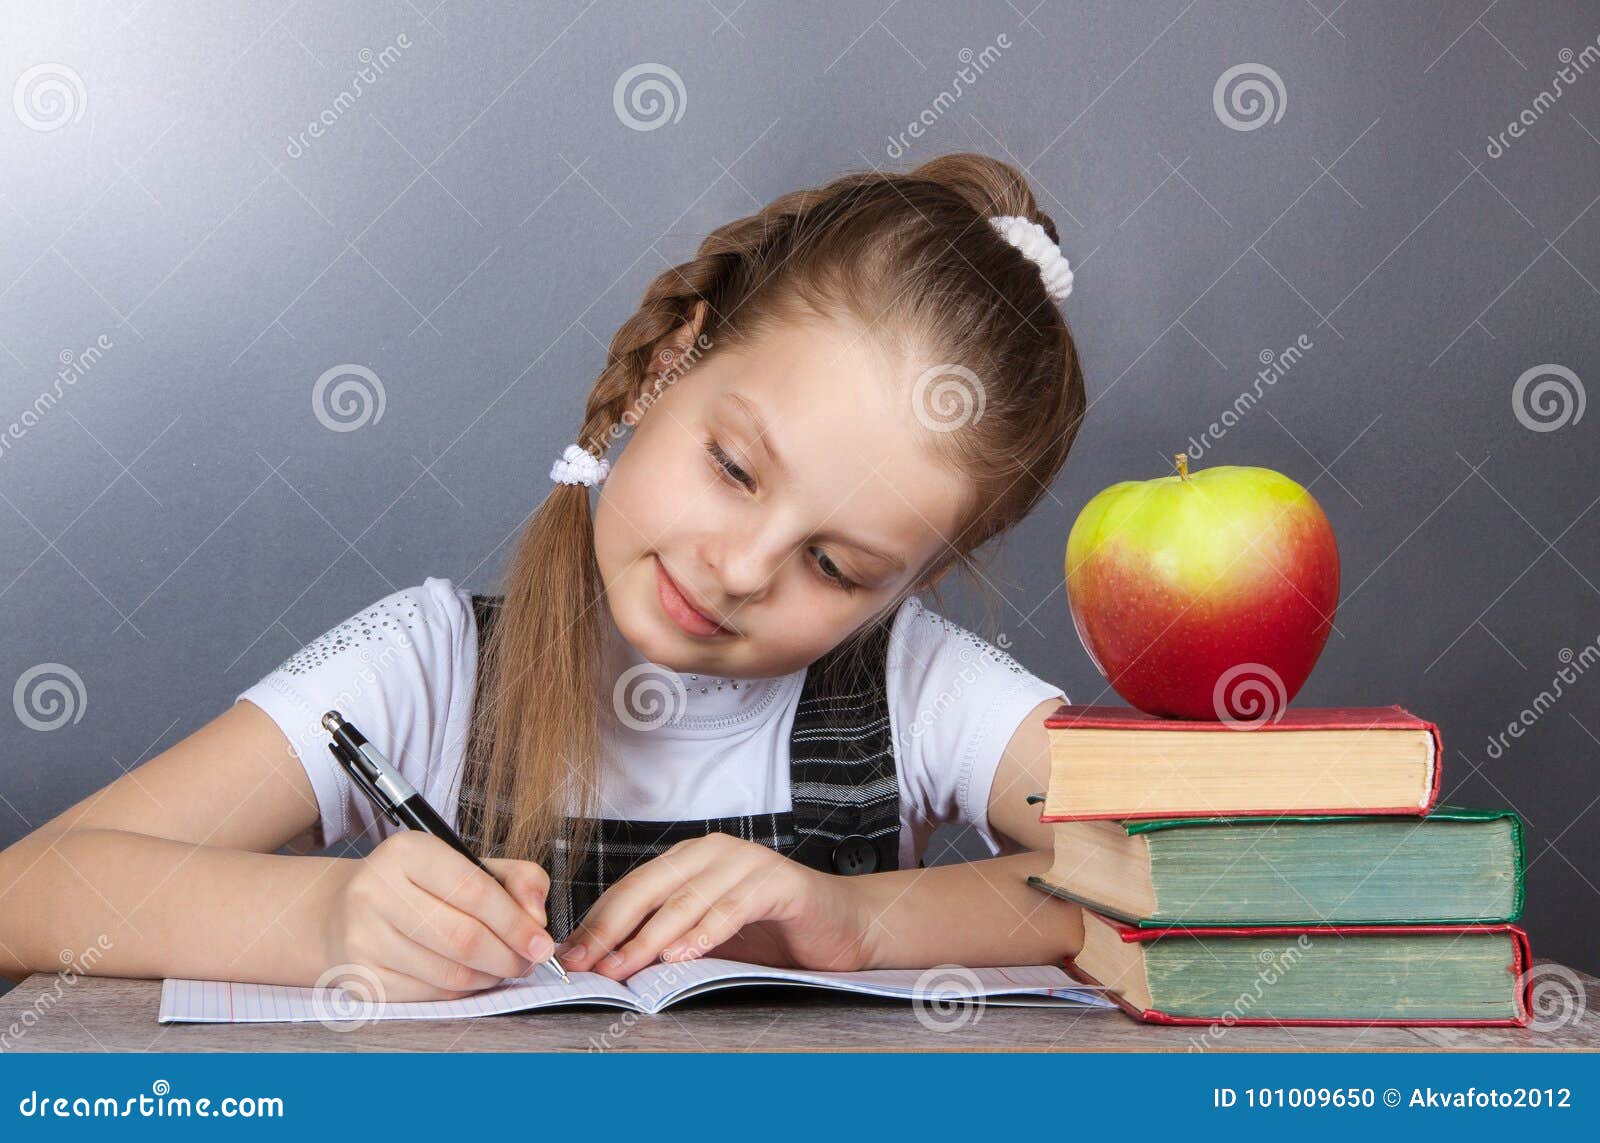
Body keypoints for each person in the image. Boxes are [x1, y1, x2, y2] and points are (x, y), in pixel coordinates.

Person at [0, 152, 1088, 1001]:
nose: (741, 569)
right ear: (669, 367)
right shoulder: (423, 667)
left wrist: (862, 924)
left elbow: (1183, 868)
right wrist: (327, 919)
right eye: (733, 468)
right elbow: (26, 894)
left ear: (921, 580)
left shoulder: (913, 689)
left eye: (835, 565)